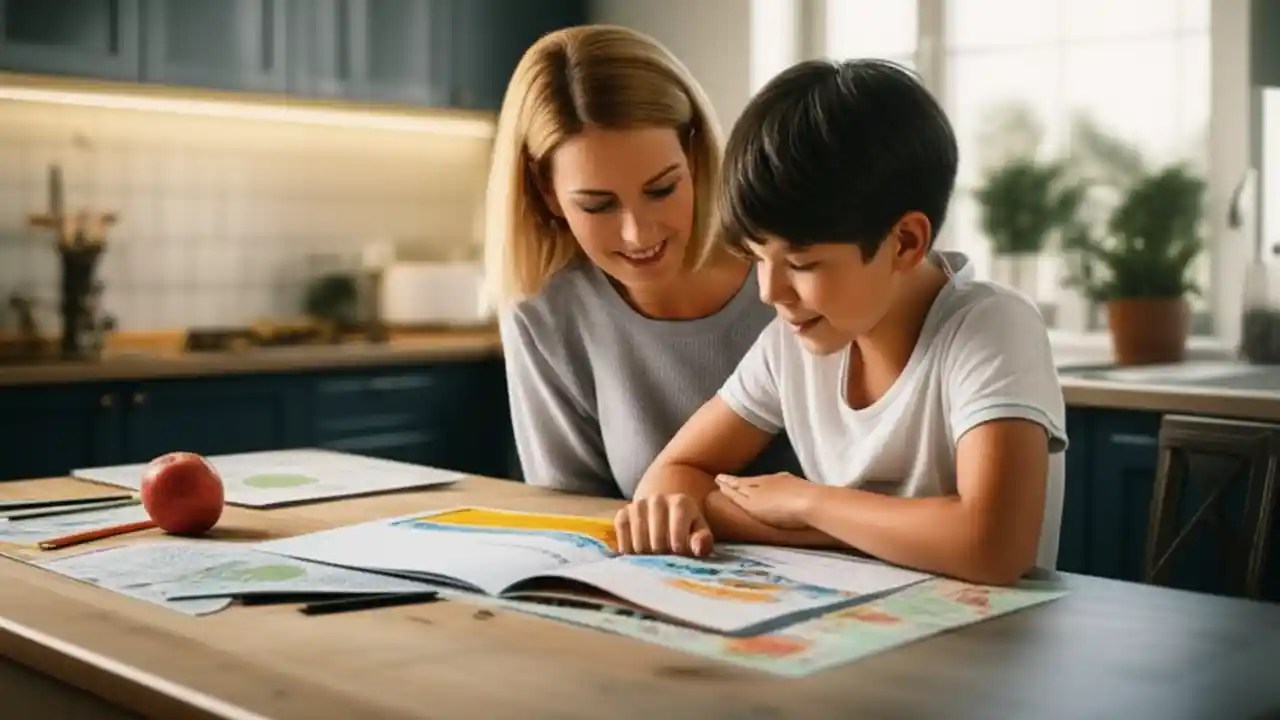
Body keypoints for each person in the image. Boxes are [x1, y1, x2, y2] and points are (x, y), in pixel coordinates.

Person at [616, 59, 1068, 586]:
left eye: (802, 264)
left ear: (904, 242)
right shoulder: (791, 344)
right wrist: (852, 529)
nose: (770, 291)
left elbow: (992, 546)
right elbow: (667, 483)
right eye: (758, 257)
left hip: (989, 650)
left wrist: (810, 502)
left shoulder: (992, 329)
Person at [485, 25, 799, 499]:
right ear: (547, 191)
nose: (638, 233)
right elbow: (576, 519)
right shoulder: (546, 314)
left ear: (694, 154)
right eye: (597, 205)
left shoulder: (797, 264)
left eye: (661, 189)